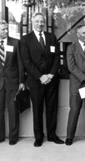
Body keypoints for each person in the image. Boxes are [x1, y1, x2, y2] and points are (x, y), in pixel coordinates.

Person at [20, 12, 63, 147]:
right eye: (37, 21)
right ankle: (38, 137)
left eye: (42, 21)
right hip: (36, 81)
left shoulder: (51, 37)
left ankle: (52, 135)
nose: (40, 24)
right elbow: (26, 62)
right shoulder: (26, 39)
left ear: (45, 23)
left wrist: (50, 74)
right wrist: (40, 76)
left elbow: (57, 58)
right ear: (33, 22)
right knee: (37, 110)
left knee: (52, 108)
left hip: (51, 81)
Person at [0, 20, 25, 146]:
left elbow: (20, 64)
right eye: (3, 29)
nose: (6, 31)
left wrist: (22, 81)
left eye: (7, 29)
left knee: (13, 110)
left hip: (12, 82)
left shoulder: (15, 42)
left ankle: (13, 137)